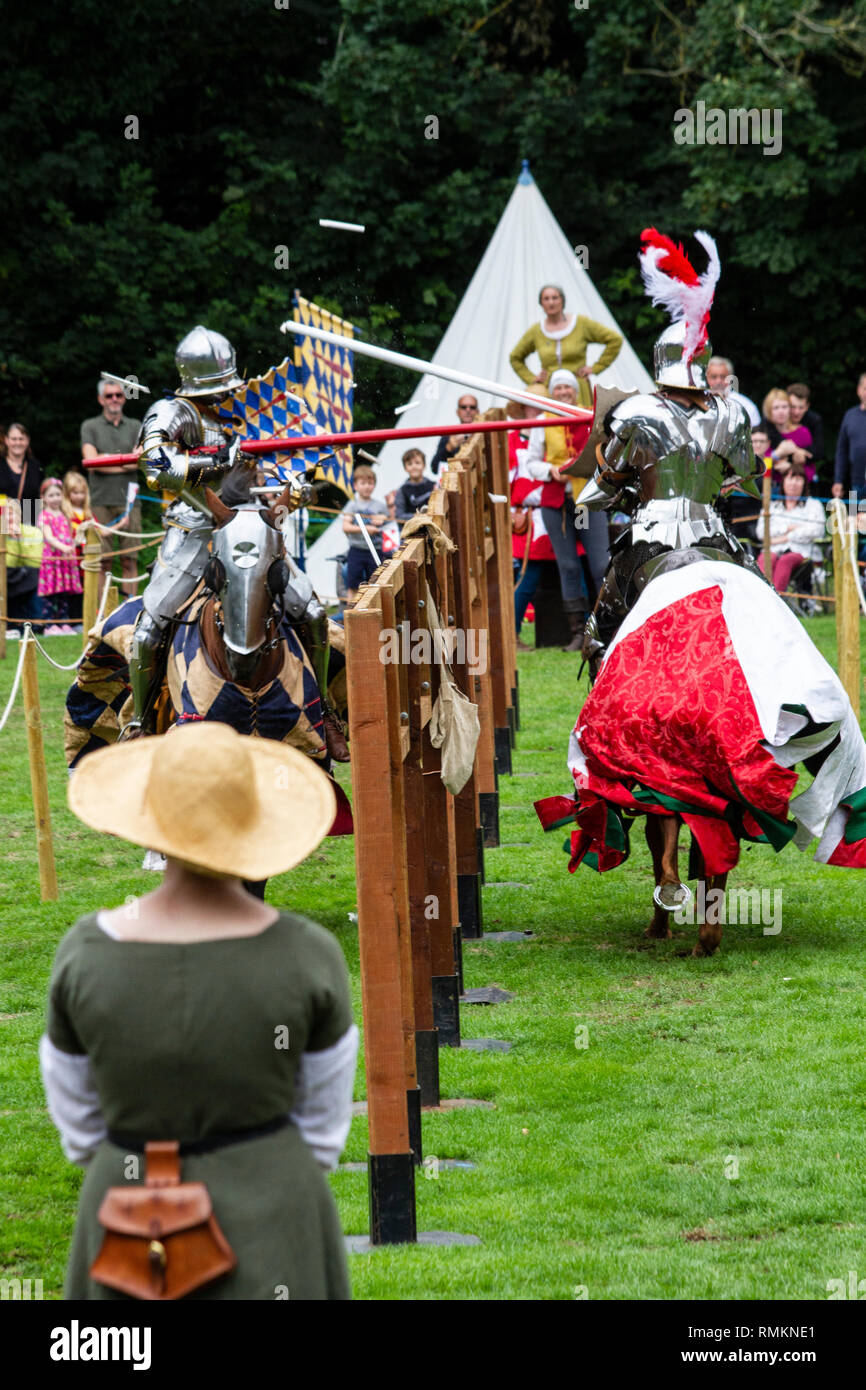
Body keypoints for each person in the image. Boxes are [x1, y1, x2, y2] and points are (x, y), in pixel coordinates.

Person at [39, 721, 358, 1299]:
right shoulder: (310, 957)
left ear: (153, 822)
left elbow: (81, 1127)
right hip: (276, 1215)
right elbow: (323, 1129)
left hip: (126, 1214)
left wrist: (141, 1153)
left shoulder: (85, 955)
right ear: (255, 821)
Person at [524, 368, 596, 649]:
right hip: (557, 500)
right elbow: (531, 462)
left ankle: (605, 627)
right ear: (552, 392)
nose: (563, 392)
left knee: (599, 564)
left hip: (587, 500)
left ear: (574, 391)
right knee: (567, 566)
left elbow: (603, 452)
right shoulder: (543, 421)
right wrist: (552, 470)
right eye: (558, 388)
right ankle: (578, 632)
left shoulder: (589, 415)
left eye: (567, 388)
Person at [509, 285, 623, 411]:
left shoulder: (581, 323)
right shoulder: (536, 331)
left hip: (578, 388)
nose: (551, 302)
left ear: (562, 300)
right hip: (550, 391)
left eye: (555, 298)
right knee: (553, 427)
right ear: (541, 303)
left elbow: (615, 339)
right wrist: (532, 378)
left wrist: (595, 367)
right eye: (546, 299)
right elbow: (515, 357)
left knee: (580, 426)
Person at [80, 381, 143, 599]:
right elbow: (90, 461)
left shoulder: (136, 425)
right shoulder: (90, 426)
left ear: (124, 398)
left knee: (130, 558)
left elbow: (142, 461)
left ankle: (131, 607)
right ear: (101, 399)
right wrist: (126, 460)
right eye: (109, 396)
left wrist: (106, 459)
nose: (114, 399)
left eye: (118, 395)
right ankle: (104, 613)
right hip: (100, 500)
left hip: (130, 502)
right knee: (103, 559)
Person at [754, 464, 825, 595]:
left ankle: (777, 602)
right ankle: (762, 598)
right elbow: (761, 532)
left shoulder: (813, 505)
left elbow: (817, 530)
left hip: (801, 551)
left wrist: (786, 537)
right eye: (790, 479)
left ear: (804, 483)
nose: (793, 483)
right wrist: (786, 528)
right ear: (783, 482)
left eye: (798, 479)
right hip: (773, 549)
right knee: (766, 558)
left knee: (785, 560)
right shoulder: (773, 507)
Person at [37, 477, 82, 633]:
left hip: (65, 560)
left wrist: (76, 542)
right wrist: (64, 547)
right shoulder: (43, 516)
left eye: (58, 494)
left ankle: (64, 622)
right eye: (51, 495)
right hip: (53, 559)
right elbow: (48, 537)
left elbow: (69, 535)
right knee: (51, 594)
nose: (55, 498)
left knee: (64, 593)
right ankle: (49, 625)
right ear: (43, 497)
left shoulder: (64, 515)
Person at [341, 464, 388, 602]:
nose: (367, 486)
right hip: (356, 550)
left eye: (370, 483)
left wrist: (383, 519)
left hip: (376, 550)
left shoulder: (380, 506)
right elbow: (346, 526)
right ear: (355, 486)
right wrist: (366, 529)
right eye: (363, 483)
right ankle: (352, 614)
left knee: (376, 584)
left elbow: (390, 522)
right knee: (353, 585)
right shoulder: (352, 505)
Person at [761, 389, 814, 482]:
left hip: (796, 491)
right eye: (776, 408)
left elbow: (810, 472)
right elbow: (757, 466)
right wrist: (777, 454)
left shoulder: (803, 432)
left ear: (790, 409)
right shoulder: (762, 434)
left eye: (784, 407)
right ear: (769, 411)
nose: (781, 411)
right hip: (767, 488)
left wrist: (791, 468)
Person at [62, 470, 93, 625]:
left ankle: (82, 618)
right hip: (70, 558)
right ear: (67, 493)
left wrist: (120, 523)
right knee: (71, 589)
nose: (79, 496)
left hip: (85, 557)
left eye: (82, 493)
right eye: (75, 493)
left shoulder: (87, 513)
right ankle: (71, 620)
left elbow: (99, 530)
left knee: (84, 588)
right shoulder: (65, 513)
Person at [832, 372, 866, 500]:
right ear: (859, 390)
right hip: (855, 483)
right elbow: (842, 451)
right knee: (853, 518)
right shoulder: (850, 415)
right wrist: (838, 480)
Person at [0, 422, 43, 513]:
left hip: (30, 519)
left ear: (27, 441)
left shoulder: (36, 467)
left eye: (21, 439)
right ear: (6, 440)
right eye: (14, 439)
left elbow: (40, 498)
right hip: (4, 519)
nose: (18, 442)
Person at [430, 395, 479, 475]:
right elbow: (434, 468)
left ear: (477, 411)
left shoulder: (486, 434)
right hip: (457, 484)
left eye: (472, 407)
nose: (468, 410)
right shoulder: (449, 434)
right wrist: (448, 448)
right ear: (457, 411)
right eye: (463, 407)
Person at [705, 355, 761, 426]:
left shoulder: (745, 405)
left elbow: (756, 432)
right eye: (714, 377)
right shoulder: (697, 401)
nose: (718, 381)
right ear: (706, 378)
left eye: (723, 377)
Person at [787, 383, 824, 472]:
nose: (796, 412)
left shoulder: (814, 420)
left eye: (801, 407)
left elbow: (819, 451)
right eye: (793, 407)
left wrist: (794, 454)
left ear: (807, 406)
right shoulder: (779, 417)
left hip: (804, 472)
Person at [393, 449, 435, 520]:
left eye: (417, 463)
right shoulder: (402, 491)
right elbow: (399, 516)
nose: (414, 466)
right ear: (405, 468)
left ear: (424, 465)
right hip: (413, 529)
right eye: (410, 464)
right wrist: (419, 516)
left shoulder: (434, 486)